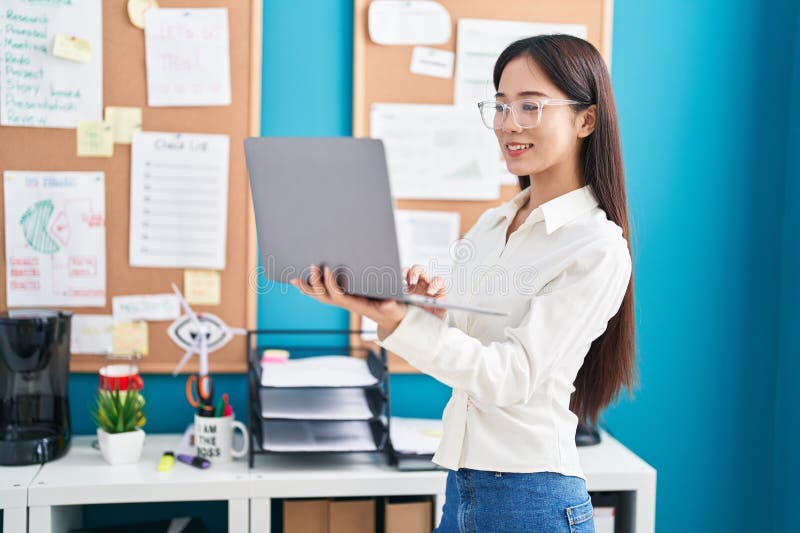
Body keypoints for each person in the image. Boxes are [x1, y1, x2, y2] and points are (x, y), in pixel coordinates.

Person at [290, 34, 636, 533]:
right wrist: (417, 311)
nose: (509, 124)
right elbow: (466, 359)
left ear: (586, 119)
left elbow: (509, 377)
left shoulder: (597, 247)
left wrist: (400, 320)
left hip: (532, 500)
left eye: (530, 106)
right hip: (463, 487)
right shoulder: (494, 226)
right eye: (499, 106)